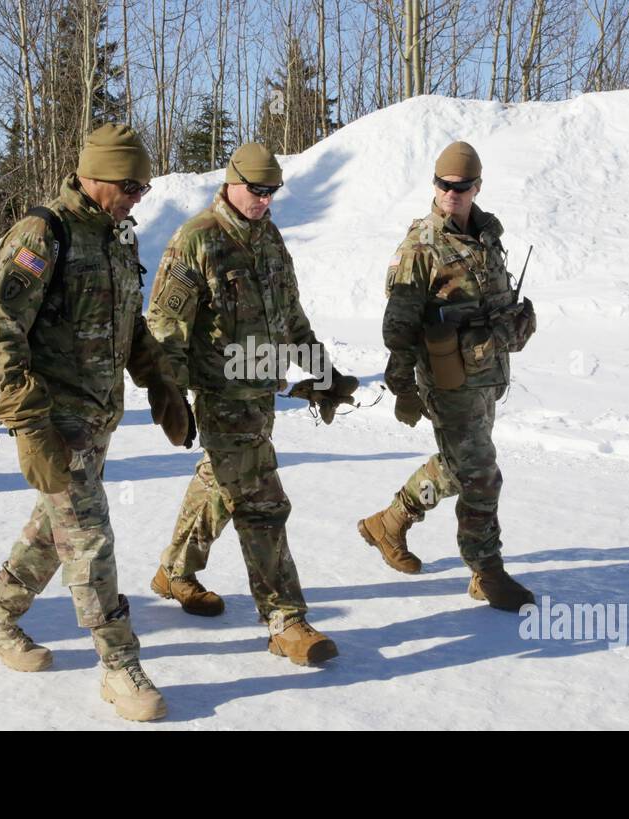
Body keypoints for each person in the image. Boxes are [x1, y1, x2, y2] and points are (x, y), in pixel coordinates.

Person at [0, 124, 193, 722]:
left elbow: (129, 324)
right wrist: (29, 423)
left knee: (53, 528)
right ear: (93, 174)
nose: (139, 193)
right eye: (129, 183)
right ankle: (118, 665)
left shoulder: (117, 234)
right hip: (53, 417)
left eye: (144, 184)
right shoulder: (46, 233)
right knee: (89, 536)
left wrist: (160, 380)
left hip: (97, 416)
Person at [145, 143, 350, 666]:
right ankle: (285, 619)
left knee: (220, 483)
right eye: (256, 190)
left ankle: (175, 572)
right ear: (231, 182)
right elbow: (166, 333)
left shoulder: (269, 239)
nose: (264, 200)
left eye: (272, 192)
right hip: (219, 398)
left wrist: (324, 374)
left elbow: (291, 318)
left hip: (259, 395)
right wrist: (172, 398)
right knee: (262, 503)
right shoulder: (197, 240)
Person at [356, 141, 538, 611]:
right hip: (446, 376)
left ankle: (390, 521)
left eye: (461, 186)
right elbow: (399, 323)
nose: (451, 193)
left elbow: (491, 302)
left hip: (486, 375)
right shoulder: (421, 245)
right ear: (434, 185)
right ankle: (485, 571)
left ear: (477, 187)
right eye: (443, 185)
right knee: (481, 474)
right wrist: (402, 386)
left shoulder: (487, 236)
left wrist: (514, 321)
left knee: (457, 465)